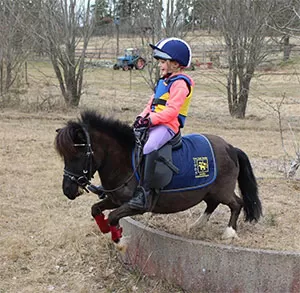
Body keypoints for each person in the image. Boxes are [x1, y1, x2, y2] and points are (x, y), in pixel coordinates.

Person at [128, 37, 195, 212]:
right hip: (155, 122)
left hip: (168, 126)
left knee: (149, 147)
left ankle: (145, 192)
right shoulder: (163, 82)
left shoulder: (180, 84)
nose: (159, 65)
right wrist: (140, 117)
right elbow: (150, 105)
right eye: (159, 61)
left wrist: (150, 120)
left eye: (163, 61)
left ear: (175, 63)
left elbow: (172, 112)